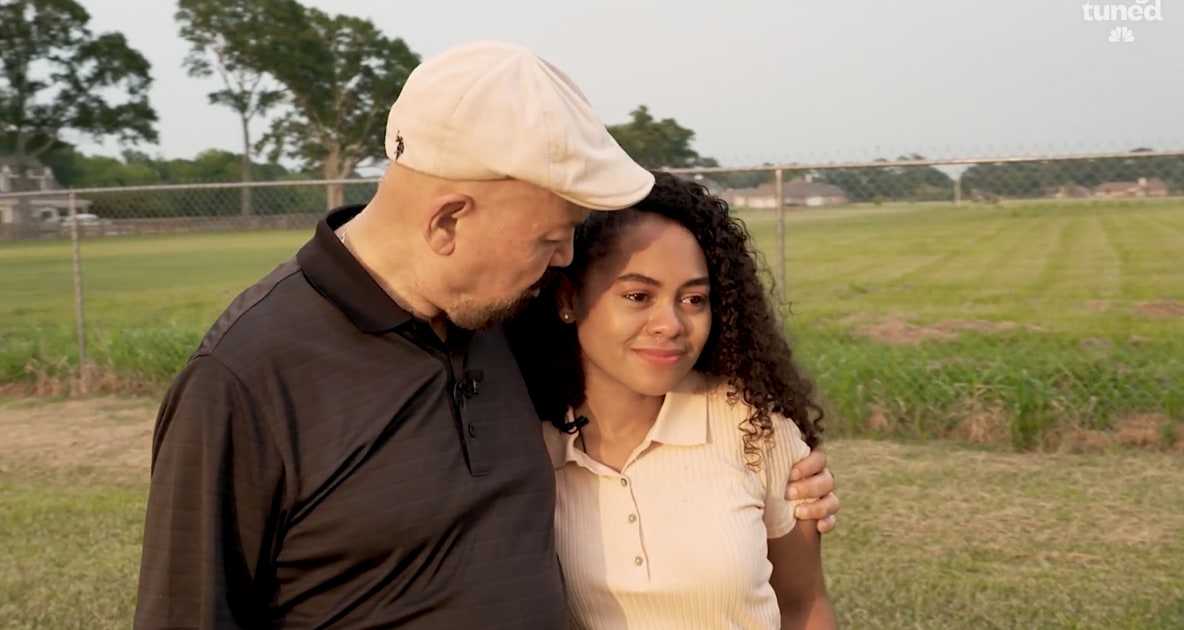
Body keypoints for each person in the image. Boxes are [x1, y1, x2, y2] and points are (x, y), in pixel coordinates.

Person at [133, 41, 840, 629]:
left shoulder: (502, 319)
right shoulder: (247, 379)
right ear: (447, 221)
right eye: (549, 238)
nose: (564, 261)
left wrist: (780, 466)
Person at [507, 171, 838, 629]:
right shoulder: (531, 451)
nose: (671, 324)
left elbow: (805, 605)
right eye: (638, 295)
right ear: (568, 298)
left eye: (694, 299)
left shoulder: (754, 429)